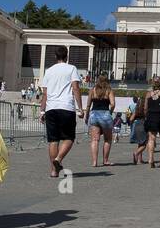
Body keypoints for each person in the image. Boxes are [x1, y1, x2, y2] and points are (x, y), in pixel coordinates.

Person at [40, 45, 83, 177]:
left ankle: (53, 171)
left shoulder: (49, 71)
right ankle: (58, 159)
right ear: (67, 56)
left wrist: (42, 111)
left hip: (51, 108)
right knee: (69, 138)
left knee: (53, 140)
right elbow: (75, 88)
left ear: (55, 56)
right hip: (66, 107)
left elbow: (45, 93)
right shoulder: (71, 69)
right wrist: (80, 108)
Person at [85, 73, 115, 167]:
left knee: (95, 140)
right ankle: (105, 160)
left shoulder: (93, 90)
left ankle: (94, 162)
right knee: (107, 139)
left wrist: (86, 116)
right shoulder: (109, 90)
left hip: (94, 115)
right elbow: (113, 104)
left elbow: (88, 105)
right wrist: (110, 112)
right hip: (105, 114)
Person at [142, 76, 160, 167]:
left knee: (151, 139)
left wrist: (146, 116)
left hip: (151, 117)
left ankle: (151, 160)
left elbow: (145, 108)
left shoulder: (148, 94)